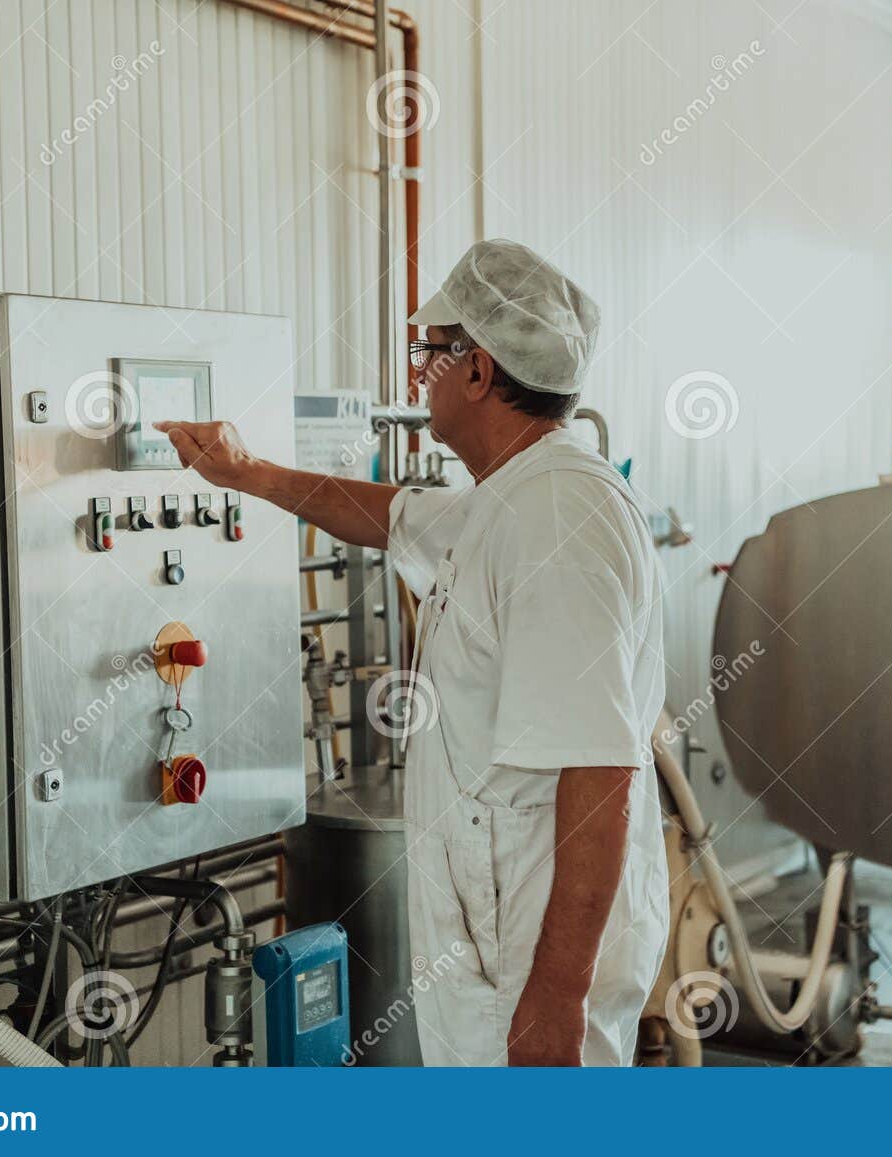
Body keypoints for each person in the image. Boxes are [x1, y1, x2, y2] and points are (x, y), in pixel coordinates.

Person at [156, 238, 668, 1066]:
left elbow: (599, 771)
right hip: (499, 953)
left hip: (531, 970)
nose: (418, 376)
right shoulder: (507, 498)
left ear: (479, 370)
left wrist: (556, 999)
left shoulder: (557, 518)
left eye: (429, 354)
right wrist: (246, 472)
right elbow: (387, 513)